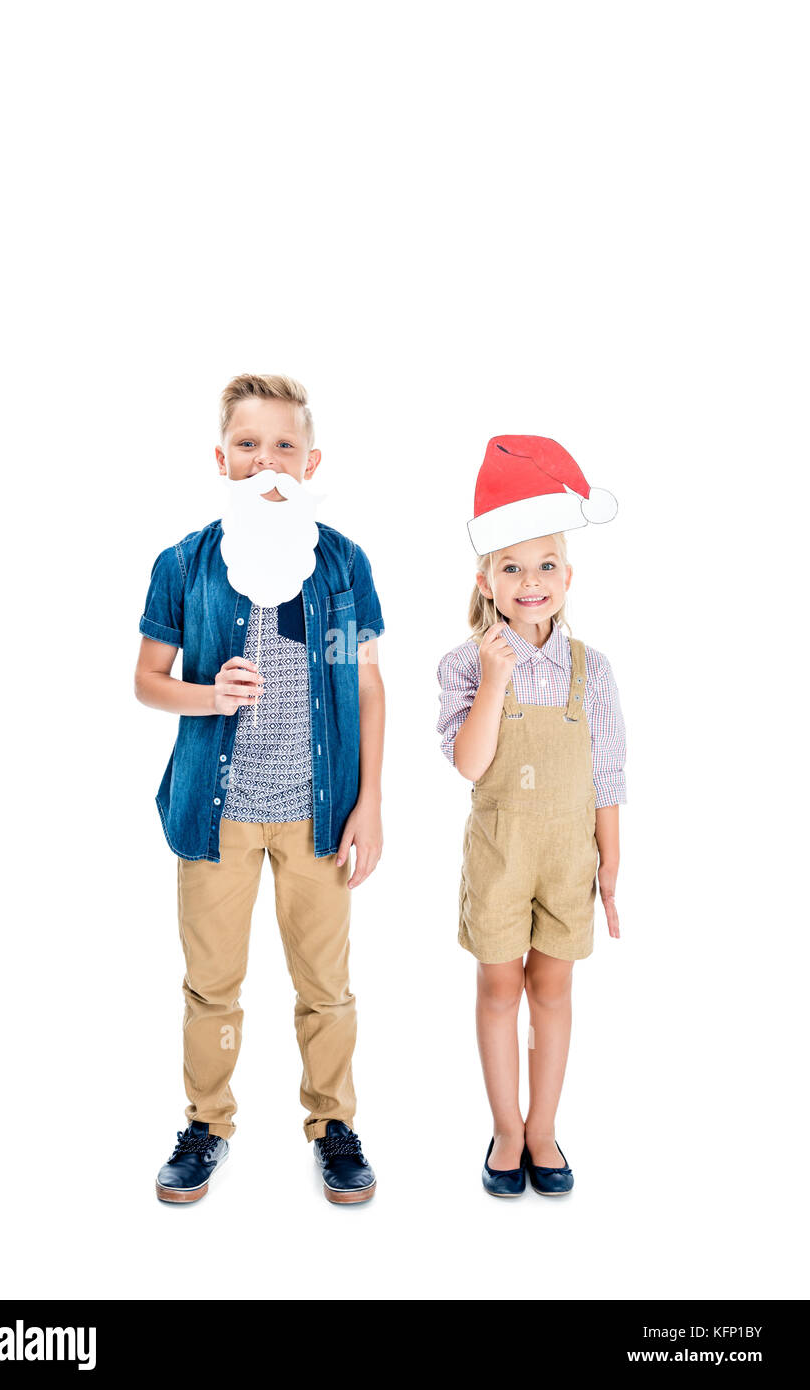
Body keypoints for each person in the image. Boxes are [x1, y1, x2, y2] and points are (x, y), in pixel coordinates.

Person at [135, 373, 385, 1205]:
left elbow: (366, 685)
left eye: (283, 444)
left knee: (325, 985)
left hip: (318, 814)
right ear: (221, 457)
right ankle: (206, 1123)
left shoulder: (341, 563)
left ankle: (334, 1124)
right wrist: (211, 695)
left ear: (310, 460)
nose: (265, 459)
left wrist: (370, 802)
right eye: (248, 443)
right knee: (212, 984)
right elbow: (146, 680)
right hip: (217, 814)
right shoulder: (185, 562)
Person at [436, 435, 626, 1198]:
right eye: (510, 566)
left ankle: (543, 1128)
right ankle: (505, 1129)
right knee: (498, 991)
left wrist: (611, 865)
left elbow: (608, 773)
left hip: (567, 859)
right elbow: (470, 763)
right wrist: (492, 678)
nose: (530, 581)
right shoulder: (463, 664)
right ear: (484, 577)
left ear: (568, 576)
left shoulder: (592, 670)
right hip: (501, 857)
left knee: (552, 991)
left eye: (545, 564)